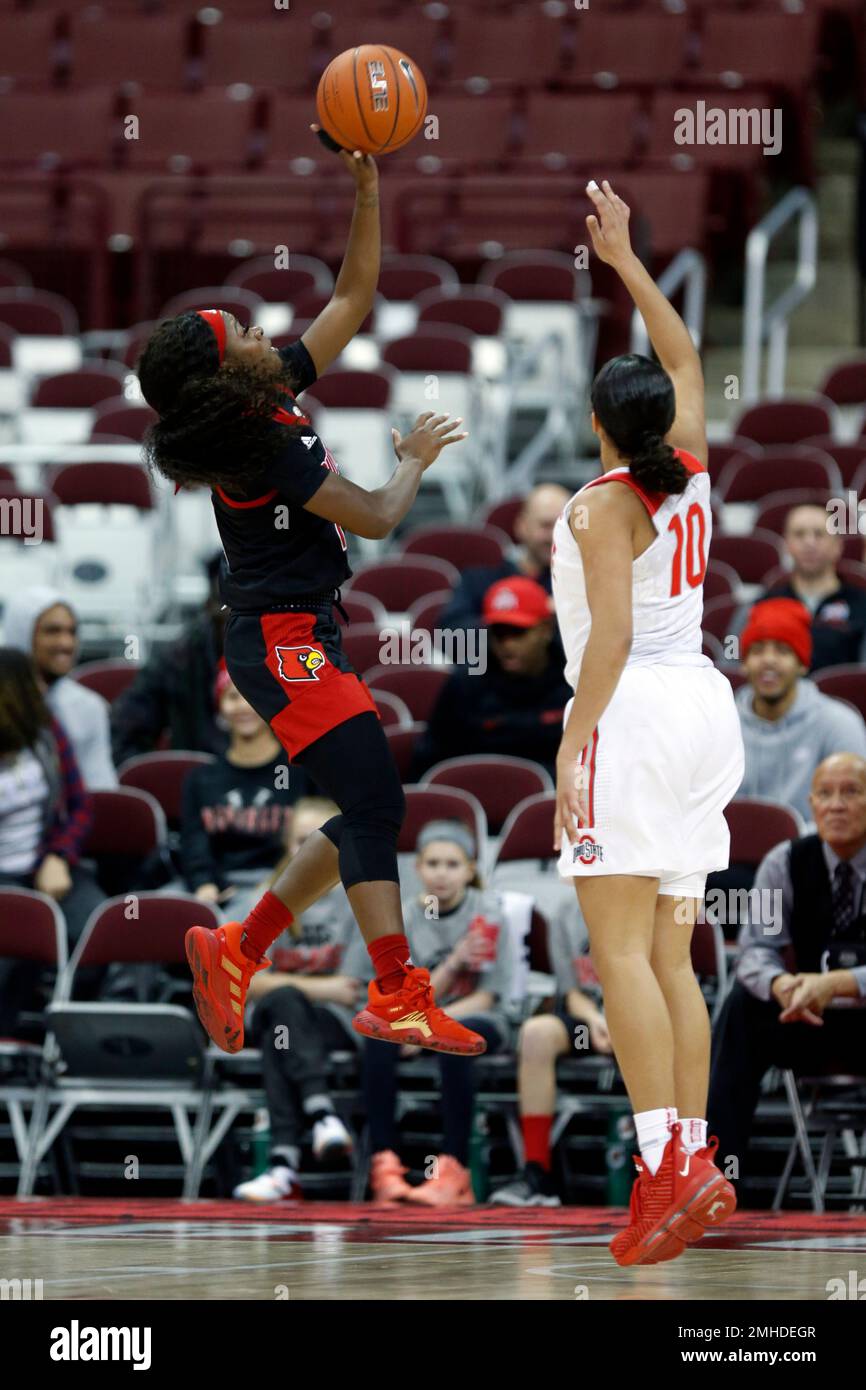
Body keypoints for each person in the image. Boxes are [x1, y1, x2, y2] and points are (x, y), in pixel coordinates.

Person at [136, 128, 485, 1061]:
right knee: (376, 806)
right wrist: (412, 461)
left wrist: (367, 188)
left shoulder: (265, 394)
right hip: (281, 638)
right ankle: (395, 990)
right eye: (239, 331)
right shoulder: (263, 443)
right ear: (225, 370)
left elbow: (353, 297)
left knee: (359, 810)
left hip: (294, 631)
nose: (259, 329)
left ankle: (238, 948)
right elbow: (372, 515)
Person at [550, 179, 744, 1266]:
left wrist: (574, 735)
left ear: (594, 427)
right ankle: (690, 1153)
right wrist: (628, 261)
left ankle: (657, 1165)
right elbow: (681, 357)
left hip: (631, 711)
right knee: (670, 958)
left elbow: (609, 642)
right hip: (702, 718)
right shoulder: (695, 474)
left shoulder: (598, 506)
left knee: (613, 949)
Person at [708, 754, 866, 1188]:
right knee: (741, 1007)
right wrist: (779, 983)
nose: (837, 805)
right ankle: (718, 1179)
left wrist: (837, 982)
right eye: (826, 794)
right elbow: (756, 949)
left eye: (851, 792)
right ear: (812, 803)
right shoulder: (785, 861)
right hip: (807, 1020)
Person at [361, 821, 511, 1206]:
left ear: (470, 870)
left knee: (453, 1040)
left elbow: (488, 998)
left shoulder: (489, 914)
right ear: (417, 868)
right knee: (375, 1039)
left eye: (452, 864)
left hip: (479, 1018)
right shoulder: (403, 918)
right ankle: (386, 1163)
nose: (442, 873)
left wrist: (429, 1027)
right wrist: (455, 963)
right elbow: (400, 996)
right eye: (433, 863)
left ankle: (454, 1168)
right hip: (416, 1021)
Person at [233, 797, 367, 1202]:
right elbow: (244, 980)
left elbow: (354, 987)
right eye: (298, 843)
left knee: (282, 1030)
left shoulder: (362, 897)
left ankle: (282, 1165)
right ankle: (322, 1113)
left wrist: (289, 986)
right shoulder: (261, 896)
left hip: (335, 1022)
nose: (306, 852)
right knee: (285, 1006)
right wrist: (319, 987)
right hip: (285, 1014)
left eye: (317, 842)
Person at [0, 648, 104, 1032]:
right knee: (12, 950)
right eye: (32, 684)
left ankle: (67, 1039)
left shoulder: (44, 732)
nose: (42, 690)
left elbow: (80, 805)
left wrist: (59, 855)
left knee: (97, 929)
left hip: (46, 864)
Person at [490, 901, 613, 1207]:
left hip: (645, 1017)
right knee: (535, 1033)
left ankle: (668, 1169)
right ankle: (537, 1173)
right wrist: (596, 1021)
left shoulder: (653, 902)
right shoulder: (564, 914)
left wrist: (620, 1022)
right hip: (592, 1023)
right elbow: (573, 994)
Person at [178, 661, 312, 922]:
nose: (243, 706)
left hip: (284, 887)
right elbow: (194, 844)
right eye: (232, 697)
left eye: (251, 695)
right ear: (221, 707)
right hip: (219, 889)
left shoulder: (301, 771)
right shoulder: (201, 779)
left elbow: (317, 839)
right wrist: (204, 883)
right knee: (160, 911)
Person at [411, 575, 571, 780]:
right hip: (473, 792)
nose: (507, 645)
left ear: (546, 628)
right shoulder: (465, 683)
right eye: (498, 633)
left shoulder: (572, 680)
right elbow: (431, 757)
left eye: (518, 632)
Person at [735, 597, 866, 823]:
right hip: (728, 854)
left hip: (808, 854)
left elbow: (854, 814)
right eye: (757, 651)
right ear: (744, 663)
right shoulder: (720, 721)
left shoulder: (838, 723)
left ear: (802, 664)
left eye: (782, 651)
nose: (768, 660)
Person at [111, 553, 230, 765]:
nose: (238, 616)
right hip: (198, 785)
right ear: (209, 606)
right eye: (228, 604)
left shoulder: (288, 651)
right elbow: (125, 732)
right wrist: (167, 780)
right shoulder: (178, 657)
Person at [2, 586, 117, 788]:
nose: (66, 643)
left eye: (72, 632)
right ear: (21, 633)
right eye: (52, 631)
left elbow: (100, 787)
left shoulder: (88, 707)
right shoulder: (4, 704)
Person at [438, 483, 570, 632]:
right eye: (545, 525)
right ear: (522, 526)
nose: (554, 535)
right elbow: (451, 636)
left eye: (562, 526)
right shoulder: (479, 581)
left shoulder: (579, 585)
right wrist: (515, 616)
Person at [761, 502, 866, 670]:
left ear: (838, 545)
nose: (809, 542)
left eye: (819, 534)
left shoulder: (862, 605)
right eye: (799, 534)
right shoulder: (763, 605)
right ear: (786, 545)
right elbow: (736, 665)